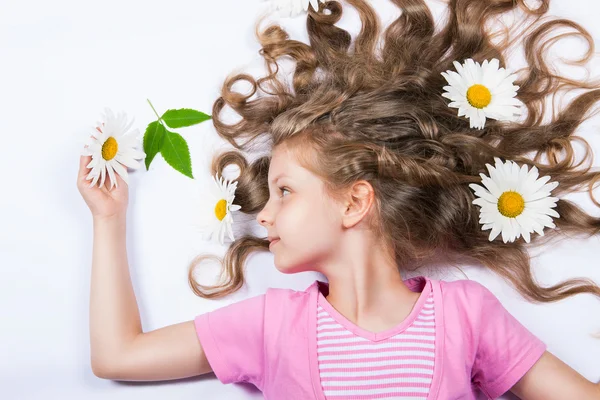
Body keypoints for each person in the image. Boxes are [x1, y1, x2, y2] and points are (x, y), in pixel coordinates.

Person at [77, 0, 600, 399]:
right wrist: (109, 218)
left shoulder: (467, 316)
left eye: (285, 191)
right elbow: (118, 355)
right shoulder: (270, 325)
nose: (263, 213)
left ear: (354, 203)